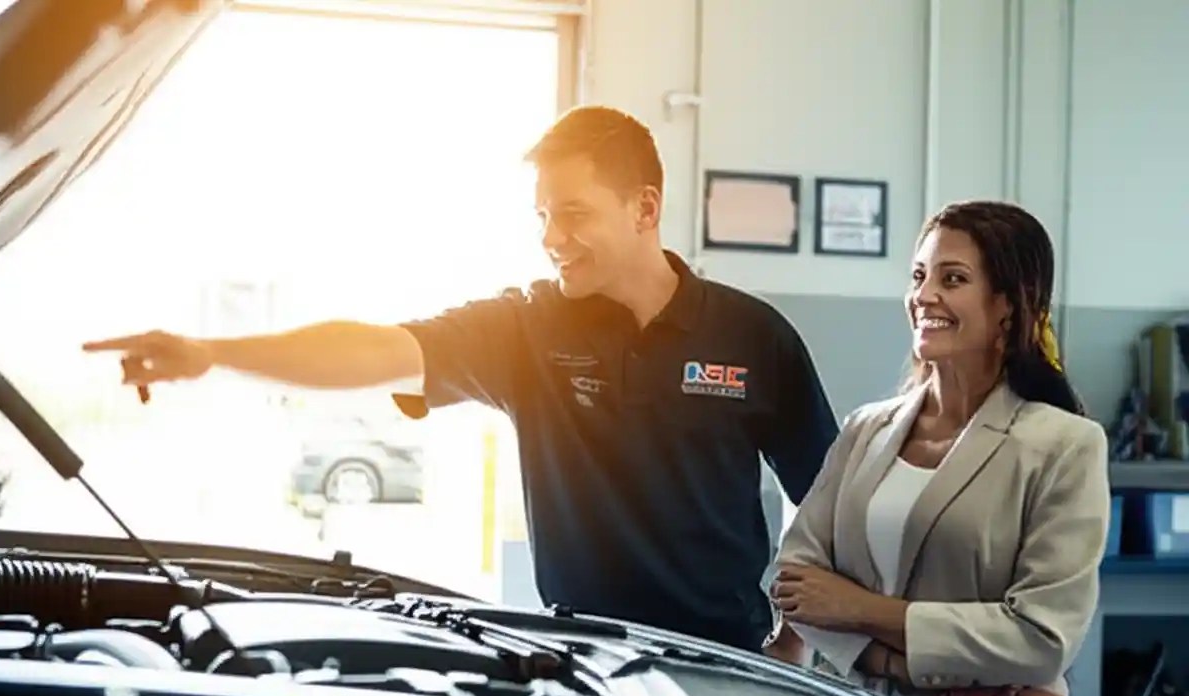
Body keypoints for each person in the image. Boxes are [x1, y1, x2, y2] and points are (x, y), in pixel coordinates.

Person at [82, 105, 839, 651]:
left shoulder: (753, 336)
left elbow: (833, 509)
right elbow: (377, 348)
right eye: (541, 215)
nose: (551, 239)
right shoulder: (526, 328)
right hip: (585, 662)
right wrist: (215, 353)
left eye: (572, 213)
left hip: (729, 666)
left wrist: (798, 644)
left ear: (645, 208)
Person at [764, 200, 1109, 696]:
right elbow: (797, 582)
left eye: (953, 279)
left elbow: (1041, 636)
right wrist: (887, 661)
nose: (925, 295)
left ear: (1007, 306)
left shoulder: (1066, 445)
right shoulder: (866, 429)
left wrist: (861, 610)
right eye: (920, 276)